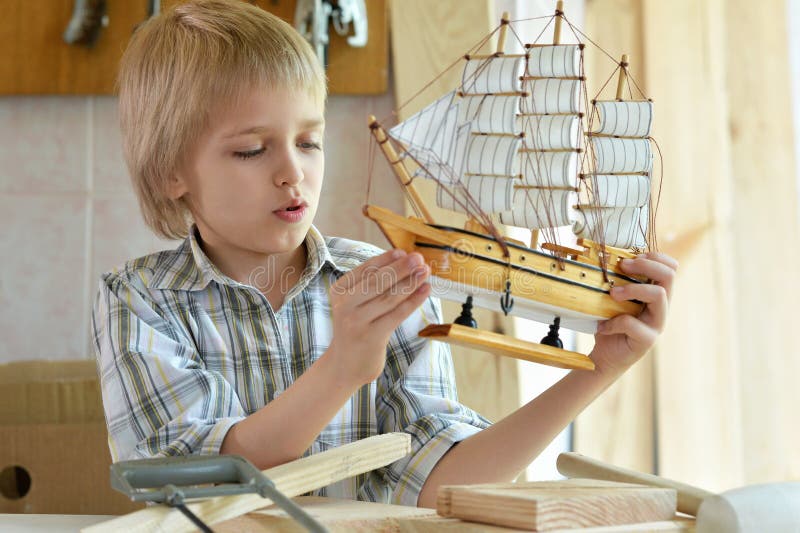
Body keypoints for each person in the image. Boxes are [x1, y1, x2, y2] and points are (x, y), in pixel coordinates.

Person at [93, 0, 677, 508]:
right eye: (251, 150)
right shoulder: (139, 299)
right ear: (171, 172)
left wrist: (599, 369)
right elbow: (196, 480)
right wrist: (343, 367)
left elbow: (443, 483)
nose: (293, 172)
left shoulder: (381, 283)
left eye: (309, 142)